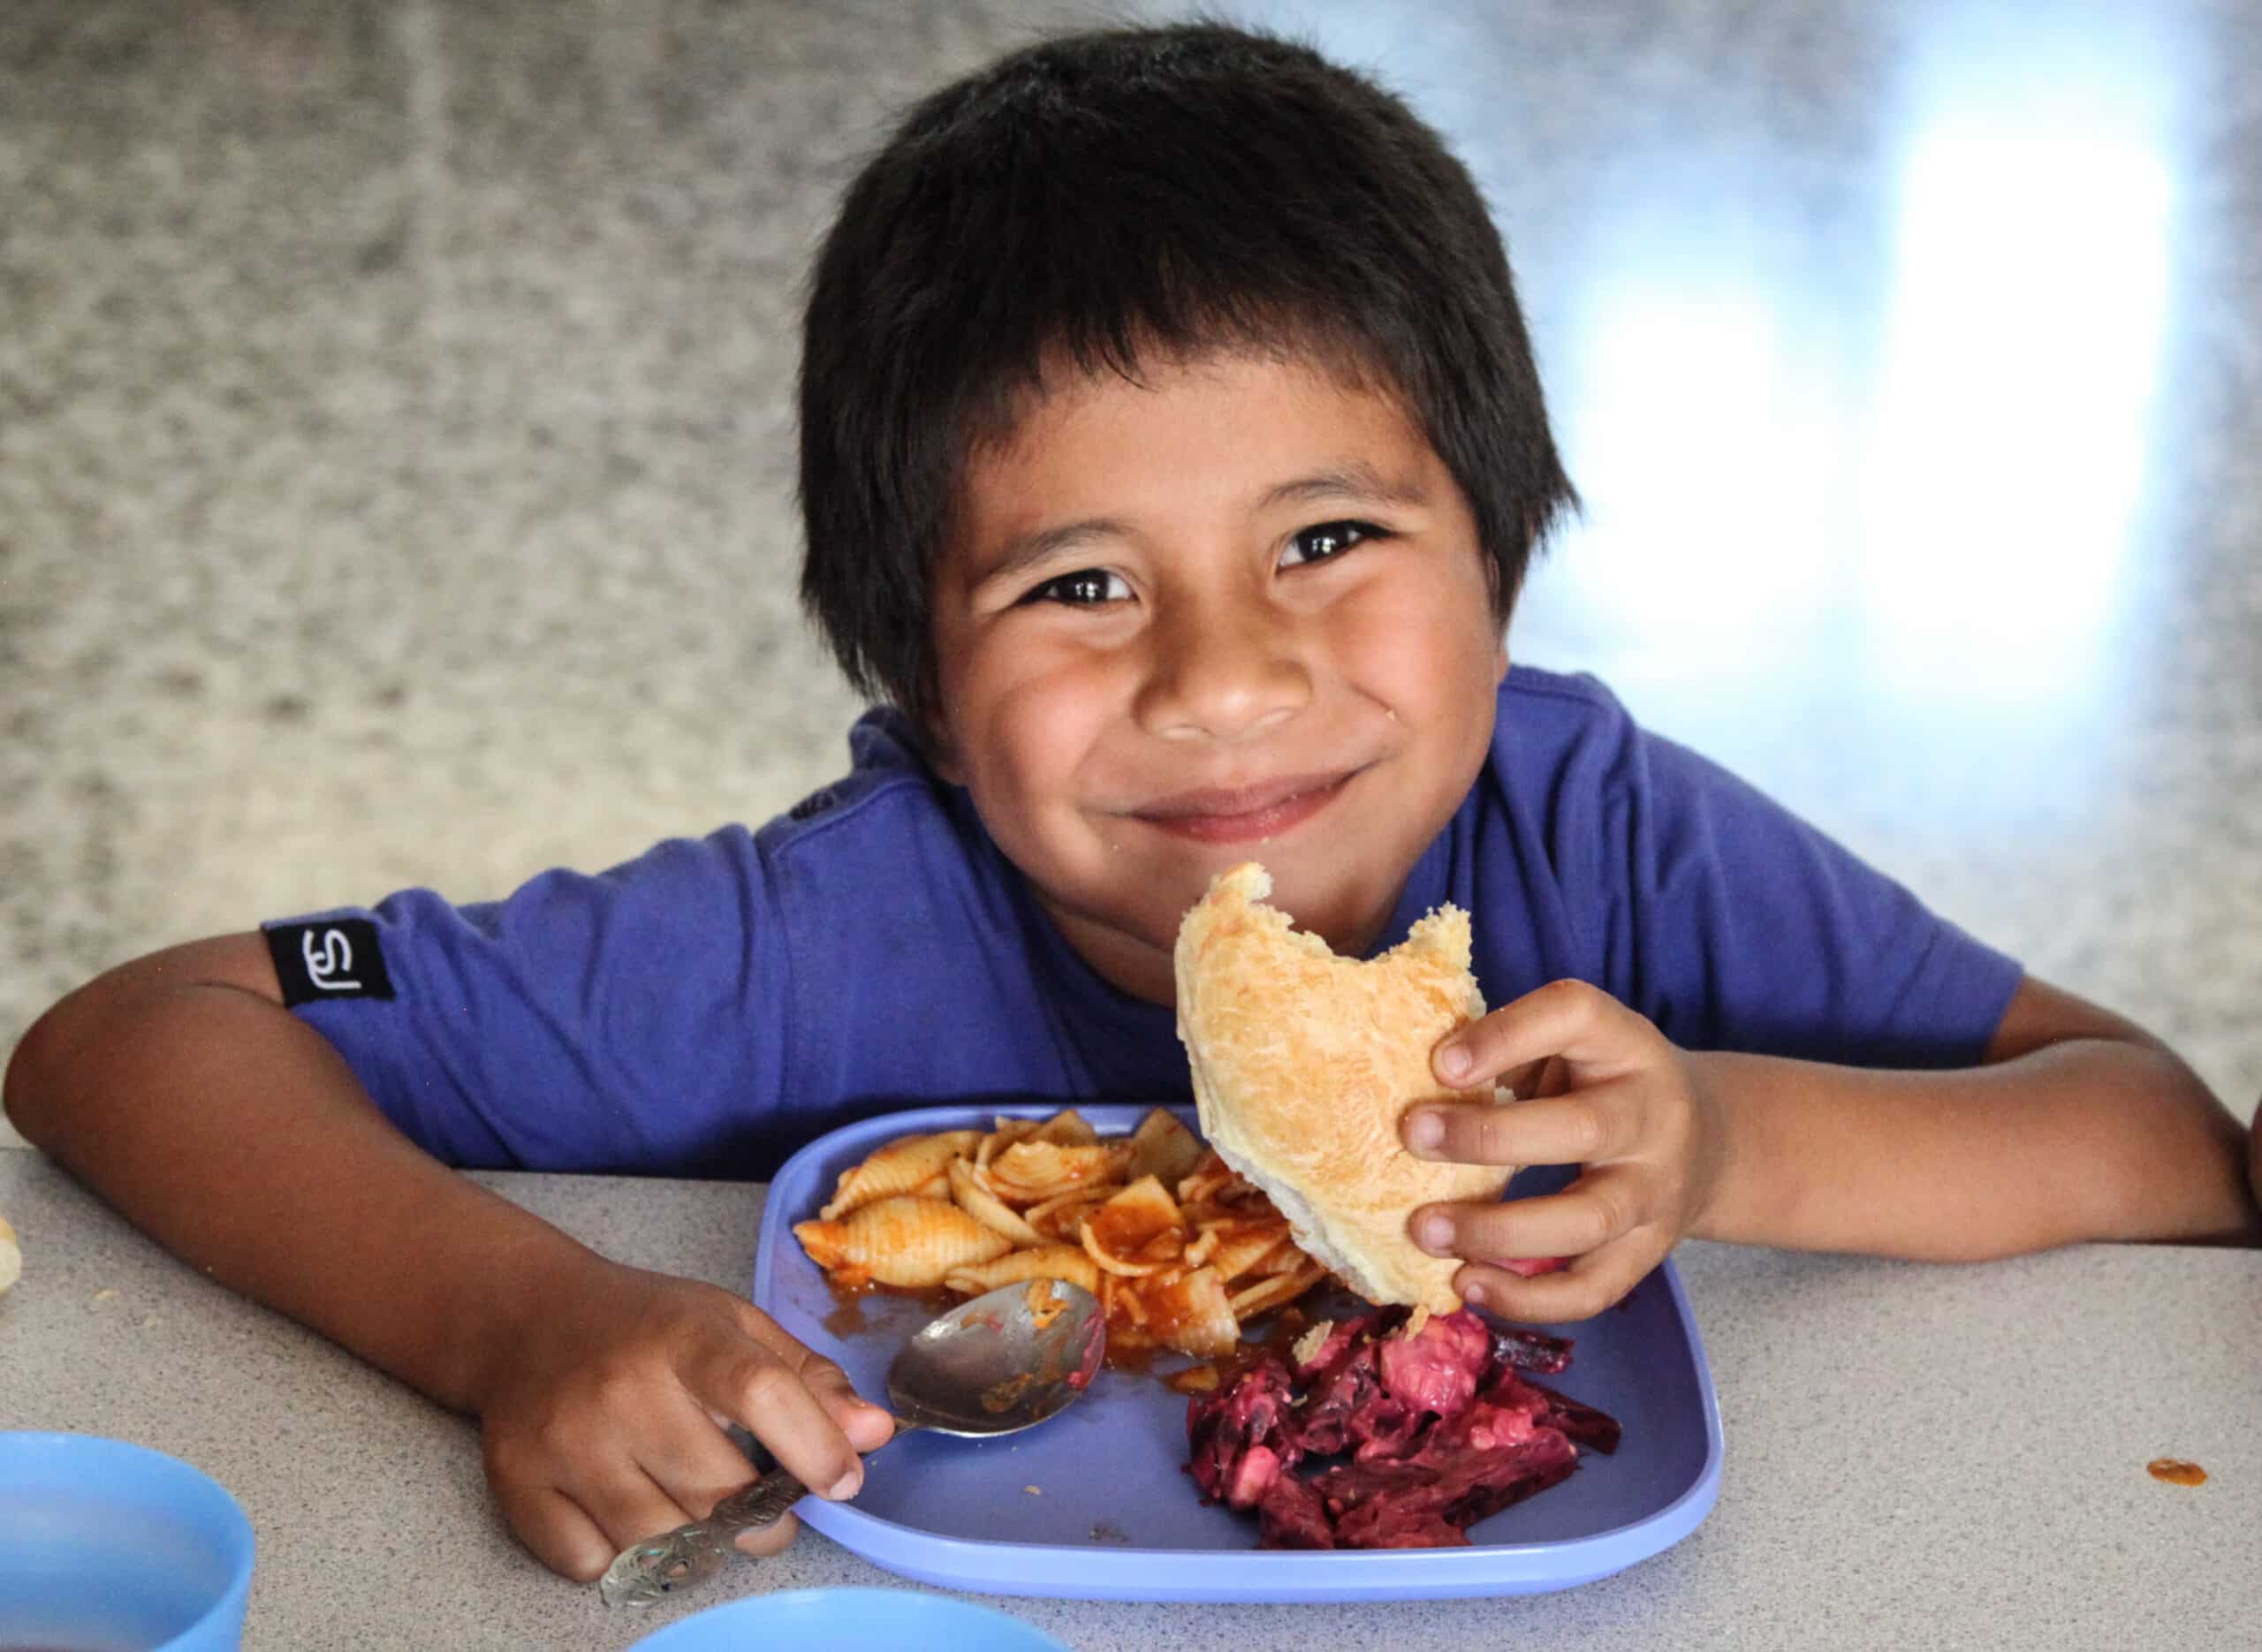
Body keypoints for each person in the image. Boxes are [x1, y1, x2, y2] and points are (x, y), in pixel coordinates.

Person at [7, 21, 2255, 1586]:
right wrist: (509, 1322)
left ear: (1505, 550)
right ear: (910, 657)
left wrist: (1735, 1142)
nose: (1225, 677)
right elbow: (151, 1020)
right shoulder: (809, 932)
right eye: (1080, 584)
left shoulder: (1602, 828)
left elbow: (2157, 1138)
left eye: (1329, 542)